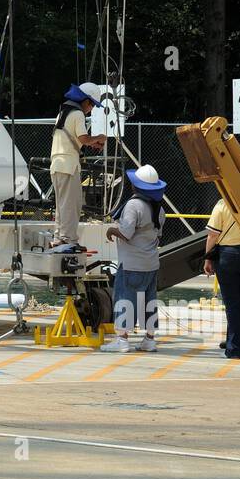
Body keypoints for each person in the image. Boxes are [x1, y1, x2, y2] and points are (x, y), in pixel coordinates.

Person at [102, 164, 167, 353]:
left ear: (137, 186)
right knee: (149, 301)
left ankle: (121, 340)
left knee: (124, 299)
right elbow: (158, 236)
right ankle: (149, 339)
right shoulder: (159, 208)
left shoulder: (133, 205)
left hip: (131, 263)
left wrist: (111, 230)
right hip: (151, 263)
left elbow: (126, 232)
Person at [48, 81, 108, 251]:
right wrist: (99, 137)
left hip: (57, 164)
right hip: (68, 165)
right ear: (86, 101)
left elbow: (73, 139)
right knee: (72, 204)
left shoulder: (63, 113)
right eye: (93, 105)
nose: (92, 109)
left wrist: (91, 142)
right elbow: (83, 138)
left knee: (61, 204)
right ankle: (68, 239)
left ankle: (59, 237)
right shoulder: (78, 114)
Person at [204, 198, 240, 358]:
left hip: (227, 255)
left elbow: (213, 235)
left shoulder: (221, 204)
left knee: (232, 305)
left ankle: (234, 348)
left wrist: (207, 259)